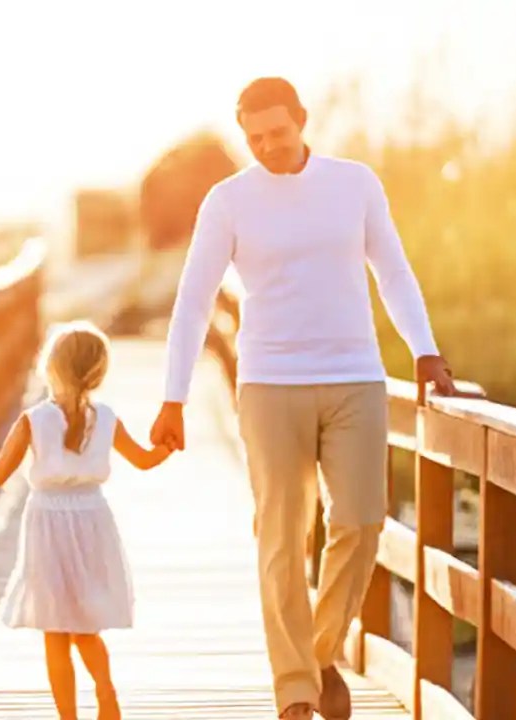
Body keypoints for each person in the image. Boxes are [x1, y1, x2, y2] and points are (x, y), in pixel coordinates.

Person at [150, 77, 465, 720]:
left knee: (362, 518)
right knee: (281, 535)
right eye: (255, 138)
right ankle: (295, 689)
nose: (267, 147)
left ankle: (318, 653)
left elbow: (393, 271)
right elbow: (193, 303)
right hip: (268, 383)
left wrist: (425, 351)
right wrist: (173, 398)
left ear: (302, 121)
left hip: (355, 376)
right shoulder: (229, 201)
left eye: (278, 133)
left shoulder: (354, 184)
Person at [0, 321, 173, 720]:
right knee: (85, 624)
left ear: (50, 366)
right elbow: (144, 459)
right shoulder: (106, 418)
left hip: (48, 524)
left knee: (54, 630)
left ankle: (67, 716)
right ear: (97, 372)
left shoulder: (33, 421)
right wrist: (169, 443)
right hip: (92, 521)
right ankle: (106, 694)